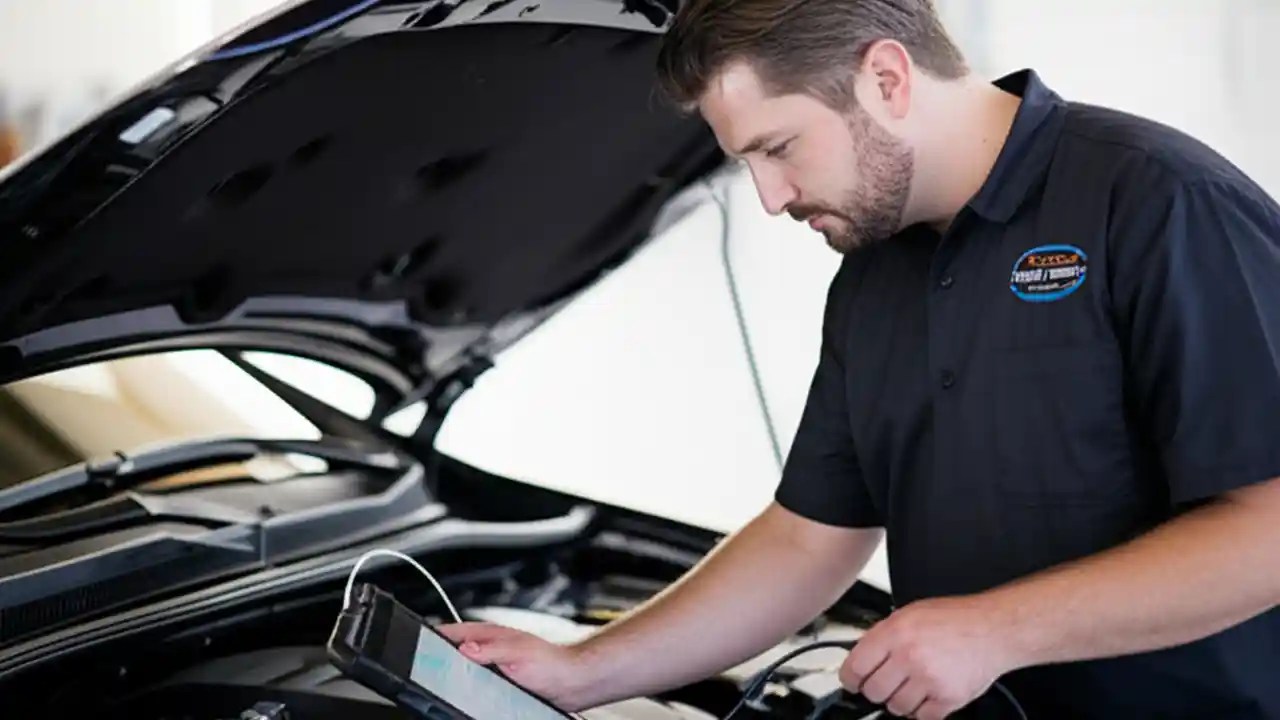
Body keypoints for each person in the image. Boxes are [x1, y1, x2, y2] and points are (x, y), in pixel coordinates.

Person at [439, 1, 1280, 717]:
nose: (769, 199)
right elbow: (810, 537)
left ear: (887, 77)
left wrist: (995, 629)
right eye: (746, 164)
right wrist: (582, 670)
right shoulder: (873, 273)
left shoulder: (1160, 201)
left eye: (778, 148)